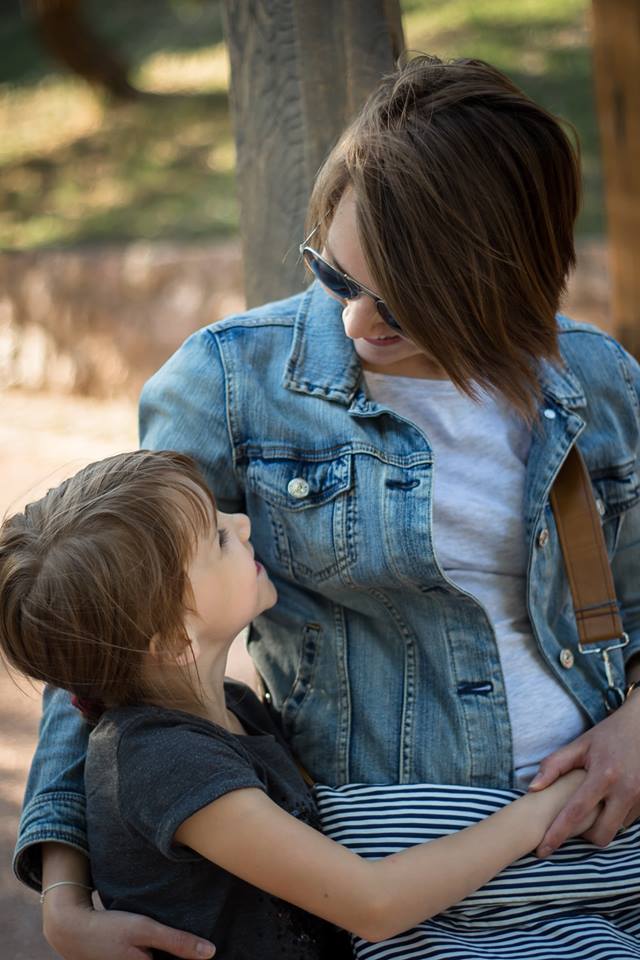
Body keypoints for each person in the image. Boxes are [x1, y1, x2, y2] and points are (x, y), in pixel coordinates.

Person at [12, 54, 640, 960]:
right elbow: (110, 626)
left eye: (404, 302)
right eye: (336, 277)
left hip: (605, 827)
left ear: (503, 279)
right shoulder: (230, 385)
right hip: (397, 858)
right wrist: (65, 888)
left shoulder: (597, 382)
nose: (355, 323)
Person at [0, 449, 596, 959]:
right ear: (176, 641)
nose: (242, 522)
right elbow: (375, 903)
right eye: (216, 537)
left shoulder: (230, 709)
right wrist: (546, 808)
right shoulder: (164, 763)